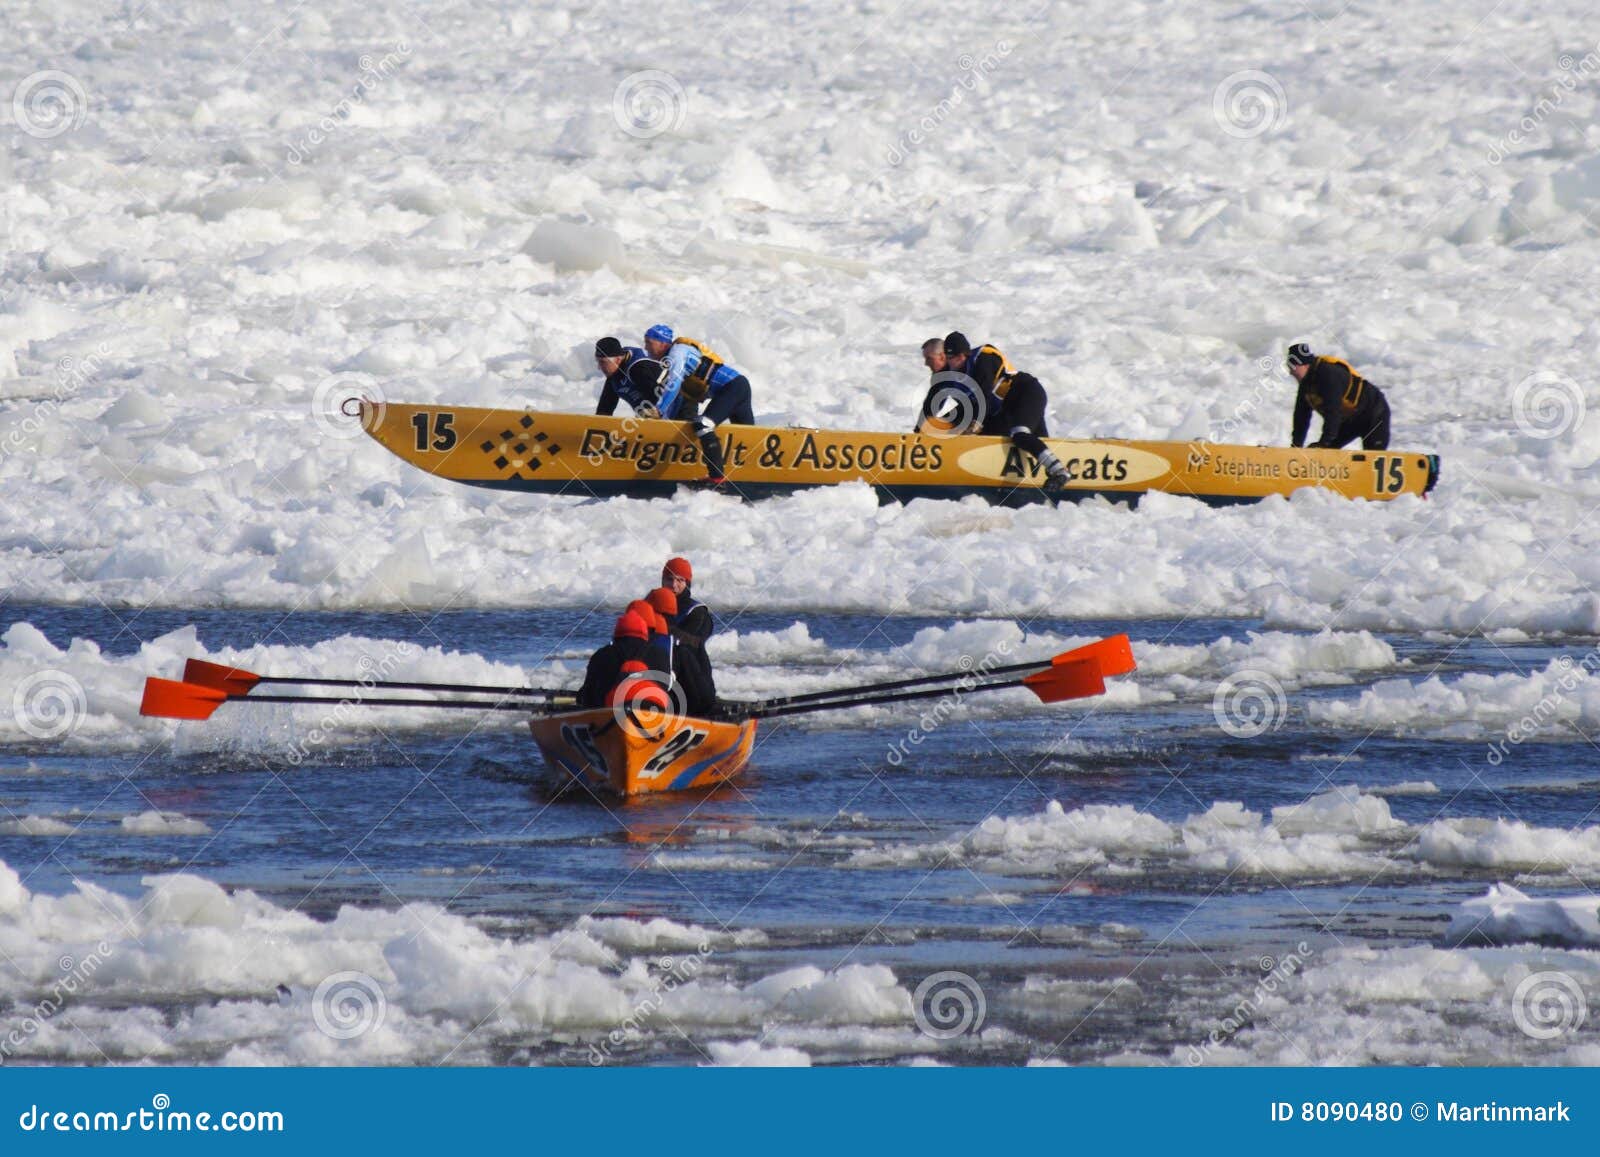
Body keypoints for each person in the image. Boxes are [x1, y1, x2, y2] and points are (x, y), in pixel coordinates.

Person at [920, 332, 1070, 491]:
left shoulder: (983, 359)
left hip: (1026, 392)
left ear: (966, 354)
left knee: (1020, 434)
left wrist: (976, 423)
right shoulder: (946, 374)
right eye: (952, 358)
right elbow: (932, 404)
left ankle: (1060, 472)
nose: (956, 362)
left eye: (959, 357)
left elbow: (982, 393)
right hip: (1004, 408)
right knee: (973, 433)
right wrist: (921, 433)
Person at [642, 324, 755, 484]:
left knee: (703, 425)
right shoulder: (674, 356)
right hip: (736, 387)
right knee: (749, 438)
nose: (645, 347)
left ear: (662, 343)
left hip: (733, 388)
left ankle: (716, 480)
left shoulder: (676, 354)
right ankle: (749, 477)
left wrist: (659, 410)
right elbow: (677, 394)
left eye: (649, 342)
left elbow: (673, 384)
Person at [1287, 343, 1392, 450]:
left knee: (1371, 456)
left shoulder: (1328, 375)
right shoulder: (1306, 384)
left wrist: (1324, 443)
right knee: (1328, 451)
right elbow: (1301, 417)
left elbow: (1333, 412)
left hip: (1375, 414)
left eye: (1292, 367)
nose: (1290, 372)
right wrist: (1296, 446)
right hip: (1351, 419)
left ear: (1305, 365)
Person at [660, 557, 716, 714]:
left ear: (687, 583)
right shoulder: (653, 606)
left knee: (682, 651)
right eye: (669, 579)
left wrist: (659, 626)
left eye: (680, 580)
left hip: (692, 684)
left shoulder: (697, 612)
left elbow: (692, 641)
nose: (673, 585)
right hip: (658, 683)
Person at [576, 611, 651, 708]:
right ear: (645, 633)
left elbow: (587, 696)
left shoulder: (601, 655)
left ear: (617, 633)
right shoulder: (657, 653)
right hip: (651, 715)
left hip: (606, 715)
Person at [592, 336, 665, 417]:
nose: (599, 367)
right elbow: (604, 411)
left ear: (618, 360)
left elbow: (660, 398)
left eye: (603, 362)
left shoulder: (638, 369)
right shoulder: (613, 373)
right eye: (598, 361)